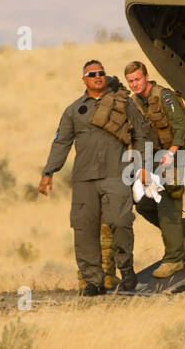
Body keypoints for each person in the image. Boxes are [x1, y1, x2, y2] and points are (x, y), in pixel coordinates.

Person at [40, 60, 154, 295]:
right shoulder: (74, 109)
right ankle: (93, 282)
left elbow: (141, 135)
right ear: (84, 80)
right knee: (84, 228)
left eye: (101, 73)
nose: (98, 77)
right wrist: (49, 172)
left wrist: (142, 166)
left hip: (116, 174)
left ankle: (127, 271)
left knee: (120, 221)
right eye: (92, 74)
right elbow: (61, 142)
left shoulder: (123, 103)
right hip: (84, 178)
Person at [124, 61, 185, 280]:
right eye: (131, 81)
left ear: (146, 76)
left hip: (173, 155)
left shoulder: (165, 96)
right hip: (150, 159)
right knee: (143, 204)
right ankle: (182, 231)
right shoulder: (133, 103)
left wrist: (171, 153)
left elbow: (181, 127)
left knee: (167, 206)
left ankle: (174, 259)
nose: (135, 84)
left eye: (138, 79)